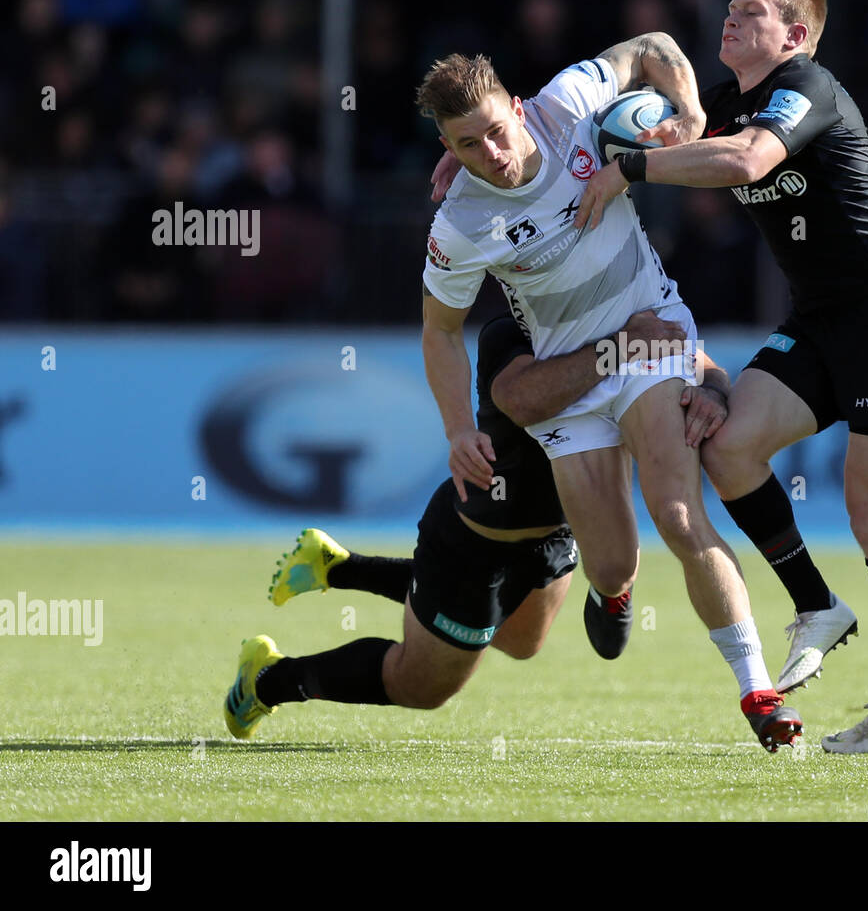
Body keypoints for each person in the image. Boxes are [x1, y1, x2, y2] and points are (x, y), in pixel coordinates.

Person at [574, 0, 868, 754]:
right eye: (730, 9)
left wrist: (630, 169)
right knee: (727, 443)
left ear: (796, 35)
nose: (732, 21)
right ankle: (817, 604)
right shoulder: (737, 107)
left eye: (753, 12)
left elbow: (744, 163)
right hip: (819, 322)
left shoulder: (806, 86)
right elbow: (653, 80)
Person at [413, 39, 800, 751]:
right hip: (572, 378)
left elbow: (653, 48)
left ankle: (758, 693)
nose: (492, 151)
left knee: (681, 519)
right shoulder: (461, 223)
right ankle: (611, 591)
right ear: (445, 146)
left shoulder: (566, 109)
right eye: (467, 144)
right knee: (612, 558)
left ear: (519, 108)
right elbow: (440, 332)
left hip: (649, 334)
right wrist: (456, 428)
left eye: (497, 129)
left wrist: (687, 112)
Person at [223, 309, 729, 738]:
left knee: (520, 643)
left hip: (558, 536)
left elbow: (705, 365)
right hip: (474, 546)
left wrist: (714, 390)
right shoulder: (510, 331)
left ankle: (338, 569)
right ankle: (267, 679)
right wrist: (621, 348)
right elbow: (527, 398)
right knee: (420, 688)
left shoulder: (621, 312)